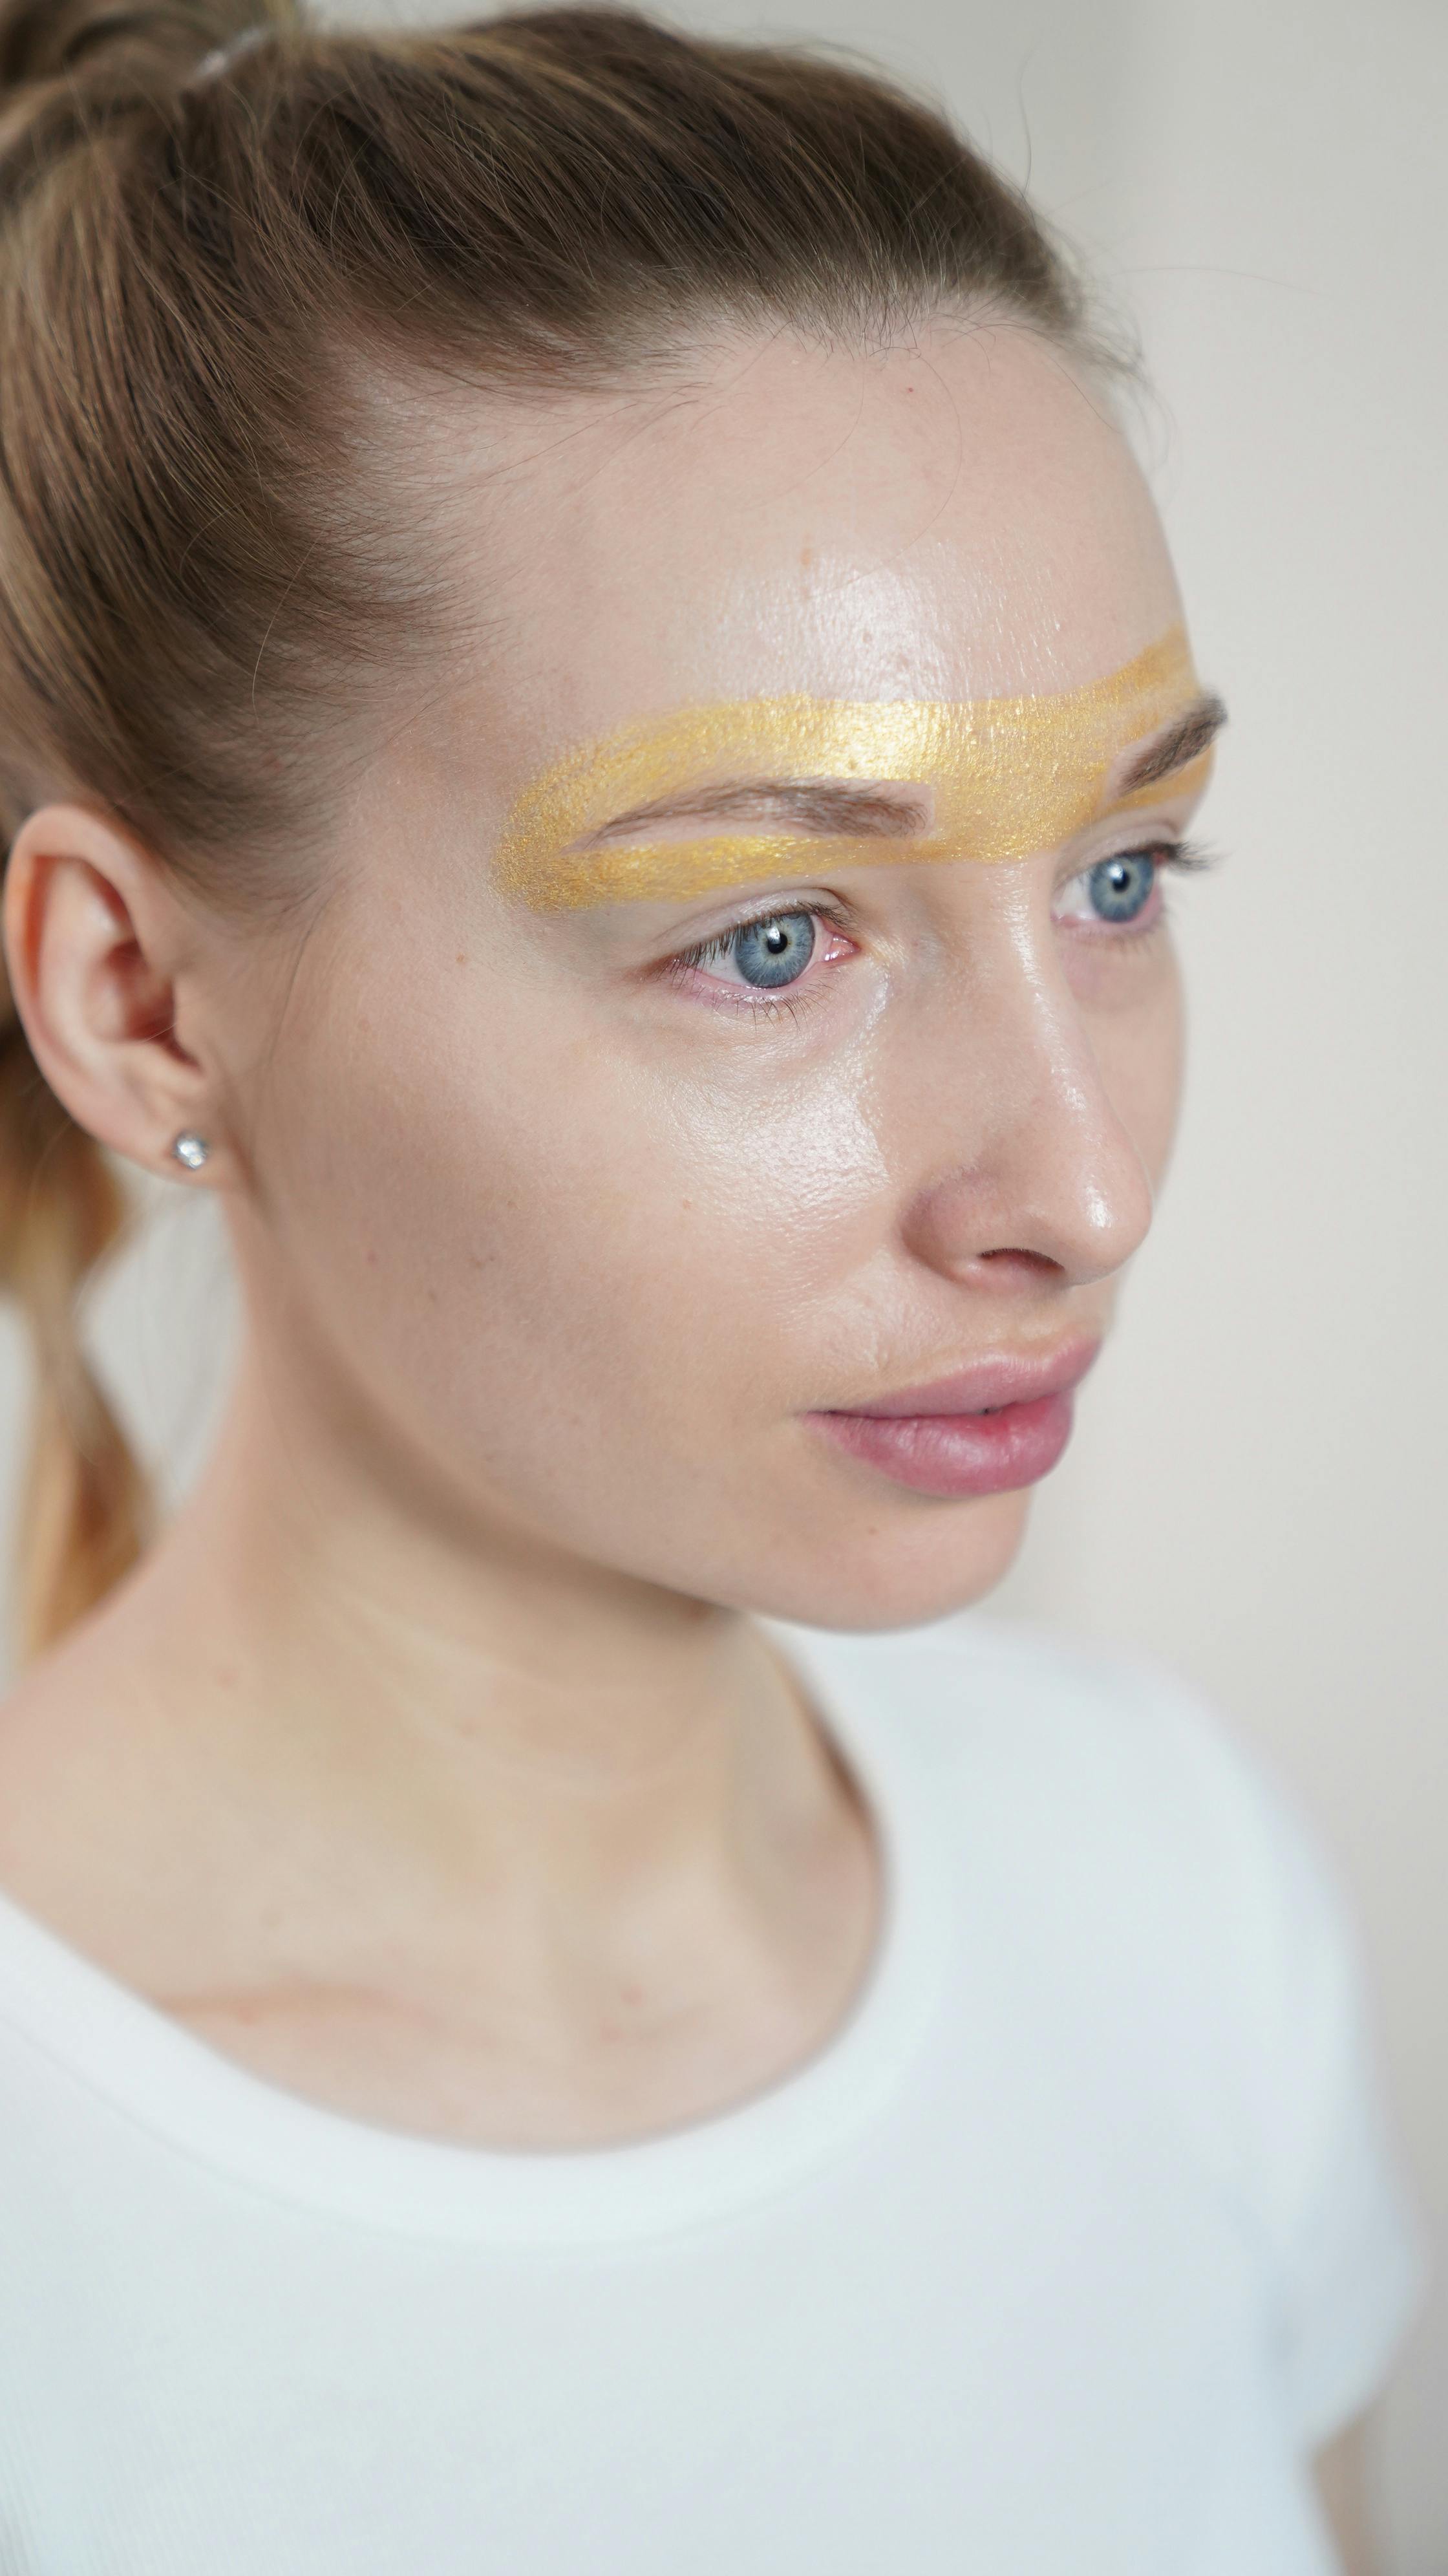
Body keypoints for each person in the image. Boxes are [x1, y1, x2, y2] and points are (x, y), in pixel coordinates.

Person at [0, 3, 1426, 2568]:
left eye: (1119, 878)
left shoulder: (1171, 1902)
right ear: (138, 999)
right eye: (770, 937)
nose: (1078, 1190)